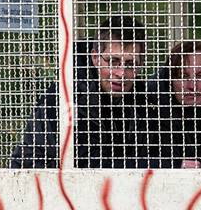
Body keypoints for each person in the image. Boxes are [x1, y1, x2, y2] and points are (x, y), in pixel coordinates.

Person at [9, 15, 155, 168]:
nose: (121, 73)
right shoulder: (66, 95)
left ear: (141, 65)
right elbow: (86, 164)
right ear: (95, 58)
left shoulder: (143, 99)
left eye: (131, 64)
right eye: (113, 61)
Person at [144, 40, 201, 169]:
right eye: (182, 76)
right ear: (170, 81)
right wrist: (174, 165)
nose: (192, 86)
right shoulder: (145, 111)